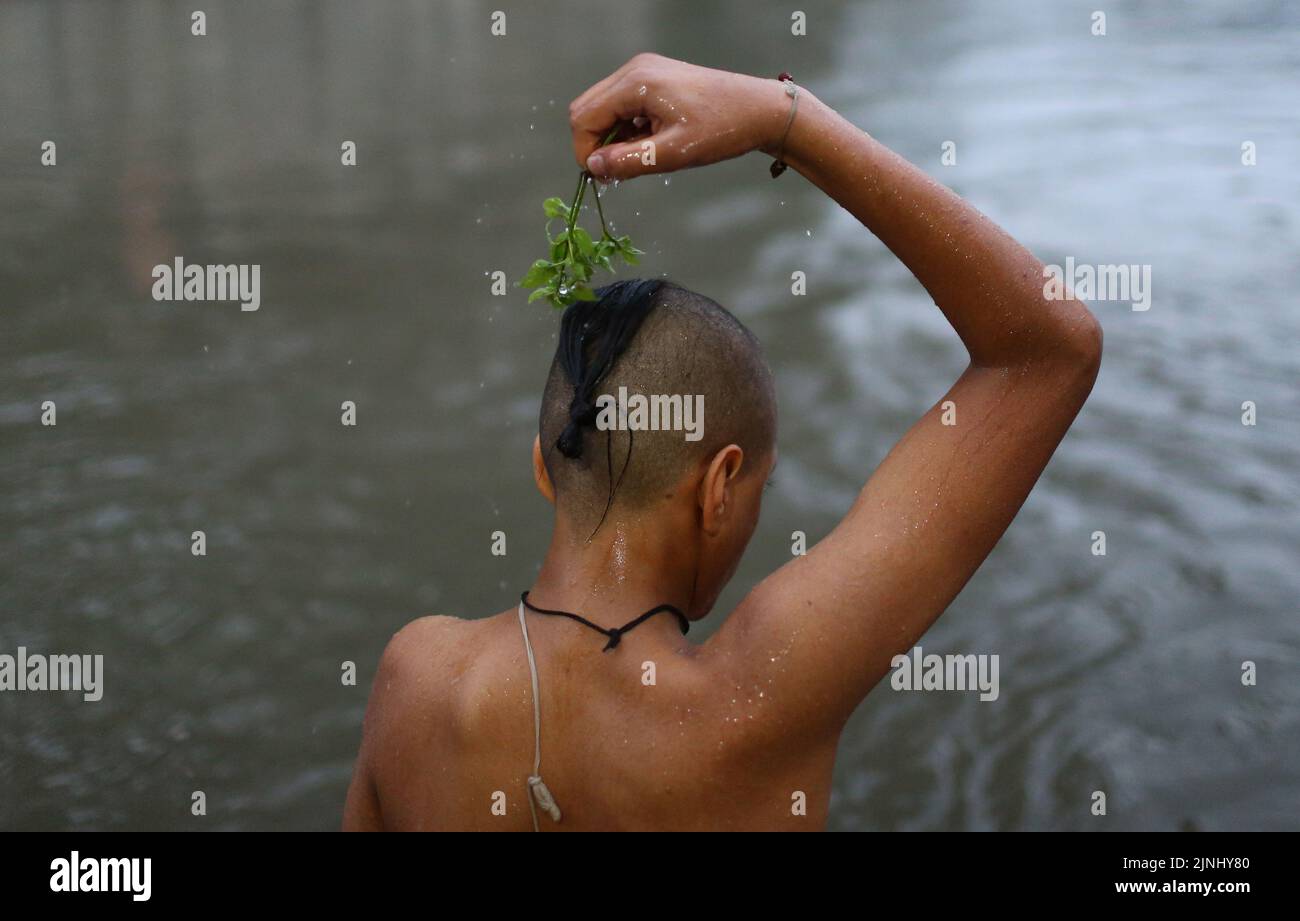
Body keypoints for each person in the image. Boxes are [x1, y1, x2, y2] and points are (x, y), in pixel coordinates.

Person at [343, 54, 1101, 831]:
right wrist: (784, 119)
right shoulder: (761, 695)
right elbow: (1046, 350)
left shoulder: (415, 678)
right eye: (759, 492)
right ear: (718, 487)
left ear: (544, 469)